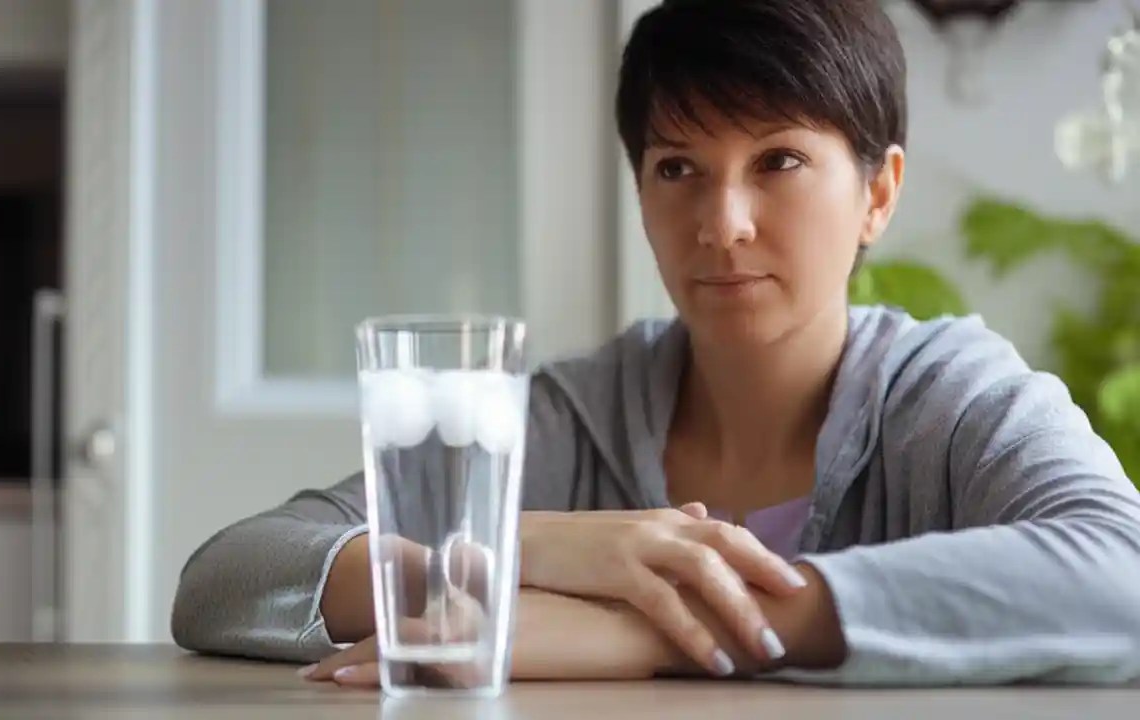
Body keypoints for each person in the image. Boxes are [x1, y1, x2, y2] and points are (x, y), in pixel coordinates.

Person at [171, 0, 1140, 686]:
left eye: (779, 161)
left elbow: (1121, 573)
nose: (722, 224)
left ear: (877, 193)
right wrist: (524, 555)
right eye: (677, 167)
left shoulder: (948, 397)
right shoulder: (576, 413)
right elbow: (227, 580)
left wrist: (661, 630)